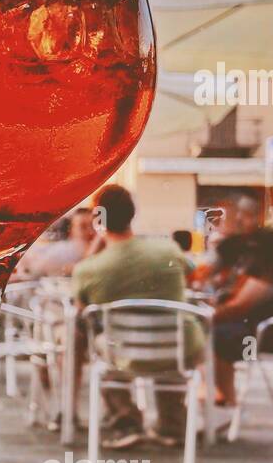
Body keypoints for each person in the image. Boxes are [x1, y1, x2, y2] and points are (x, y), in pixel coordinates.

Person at [72, 185, 203, 449]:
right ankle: (173, 424)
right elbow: (193, 274)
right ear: (132, 215)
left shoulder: (89, 269)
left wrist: (97, 246)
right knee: (169, 341)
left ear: (98, 220)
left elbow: (80, 311)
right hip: (179, 348)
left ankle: (126, 421)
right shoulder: (168, 250)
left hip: (125, 353)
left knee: (97, 340)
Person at [212, 228, 273, 406]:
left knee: (213, 338)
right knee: (215, 335)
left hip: (263, 341)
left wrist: (206, 318)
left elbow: (239, 307)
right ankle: (223, 396)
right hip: (269, 335)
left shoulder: (270, 274)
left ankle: (224, 397)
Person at [13, 207, 95, 279]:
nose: (90, 231)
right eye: (83, 227)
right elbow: (37, 270)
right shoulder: (64, 250)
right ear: (71, 230)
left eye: (92, 225)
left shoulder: (100, 246)